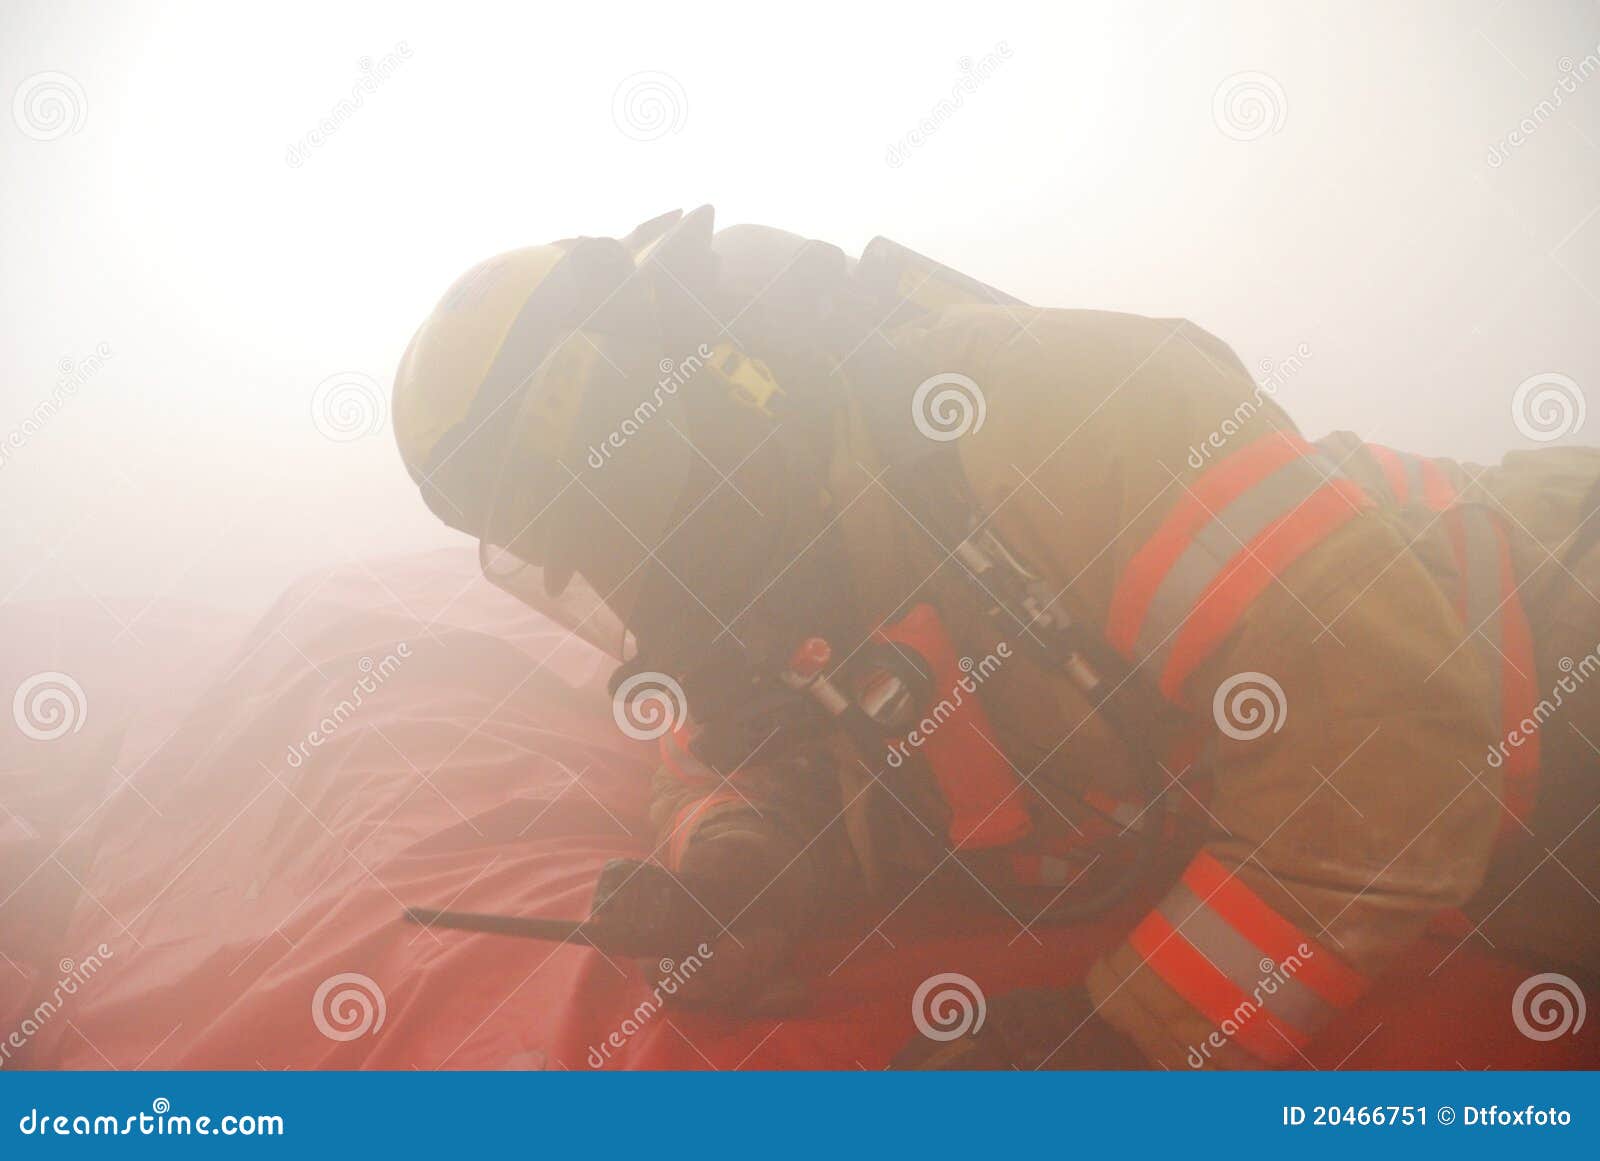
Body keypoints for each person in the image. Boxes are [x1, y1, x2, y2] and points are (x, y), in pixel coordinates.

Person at [392, 207, 1600, 1068]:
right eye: (570, 553)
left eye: (611, 511)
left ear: (698, 399)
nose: (620, 578)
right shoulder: (755, 608)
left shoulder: (1037, 413)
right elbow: (726, 767)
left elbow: (1392, 732)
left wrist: (1123, 1044)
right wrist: (736, 863)